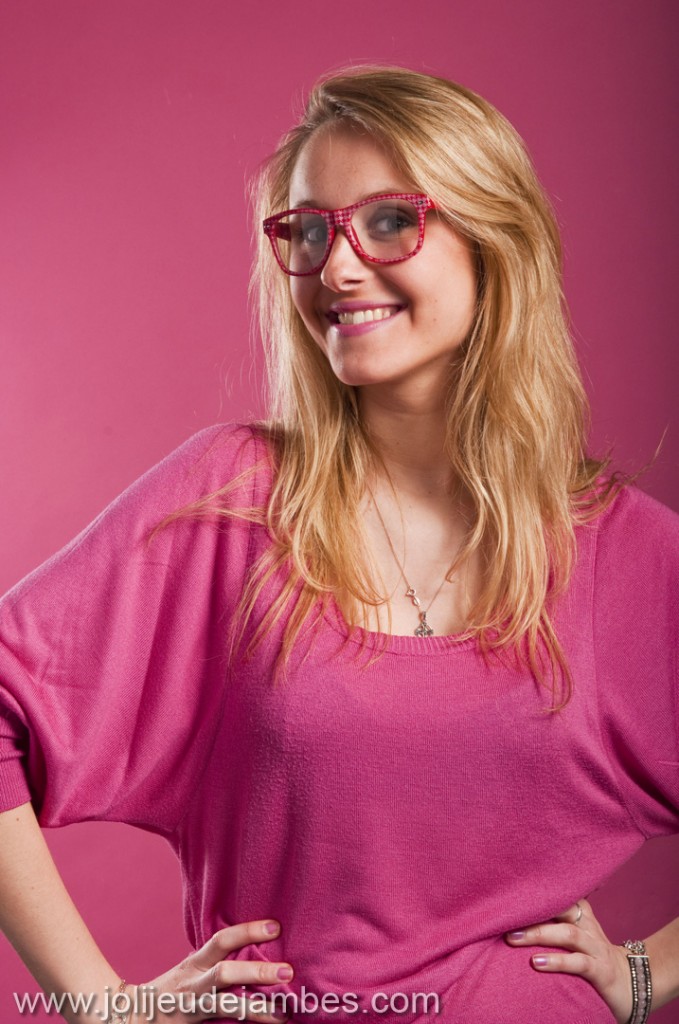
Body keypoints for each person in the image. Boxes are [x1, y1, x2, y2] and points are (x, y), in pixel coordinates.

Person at [0, 64, 677, 1024]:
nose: (338, 267)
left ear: (496, 240)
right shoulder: (233, 504)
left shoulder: (626, 556)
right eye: (310, 230)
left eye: (390, 221)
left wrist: (648, 972)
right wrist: (100, 1005)